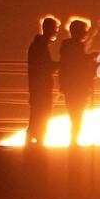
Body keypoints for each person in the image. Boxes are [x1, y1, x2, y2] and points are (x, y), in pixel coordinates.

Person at [58, 18, 100, 145]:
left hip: (70, 86)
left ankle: (74, 139)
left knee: (74, 113)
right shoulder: (76, 46)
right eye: (84, 31)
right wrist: (92, 57)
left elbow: (71, 63)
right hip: (78, 86)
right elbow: (78, 62)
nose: (86, 33)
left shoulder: (67, 46)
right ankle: (74, 140)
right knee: (77, 113)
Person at [26, 15, 61, 145]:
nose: (57, 32)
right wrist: (61, 65)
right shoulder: (40, 46)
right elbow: (46, 67)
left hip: (37, 87)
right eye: (56, 29)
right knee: (42, 114)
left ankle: (32, 142)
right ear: (49, 29)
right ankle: (38, 142)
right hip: (42, 88)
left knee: (37, 115)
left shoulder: (37, 45)